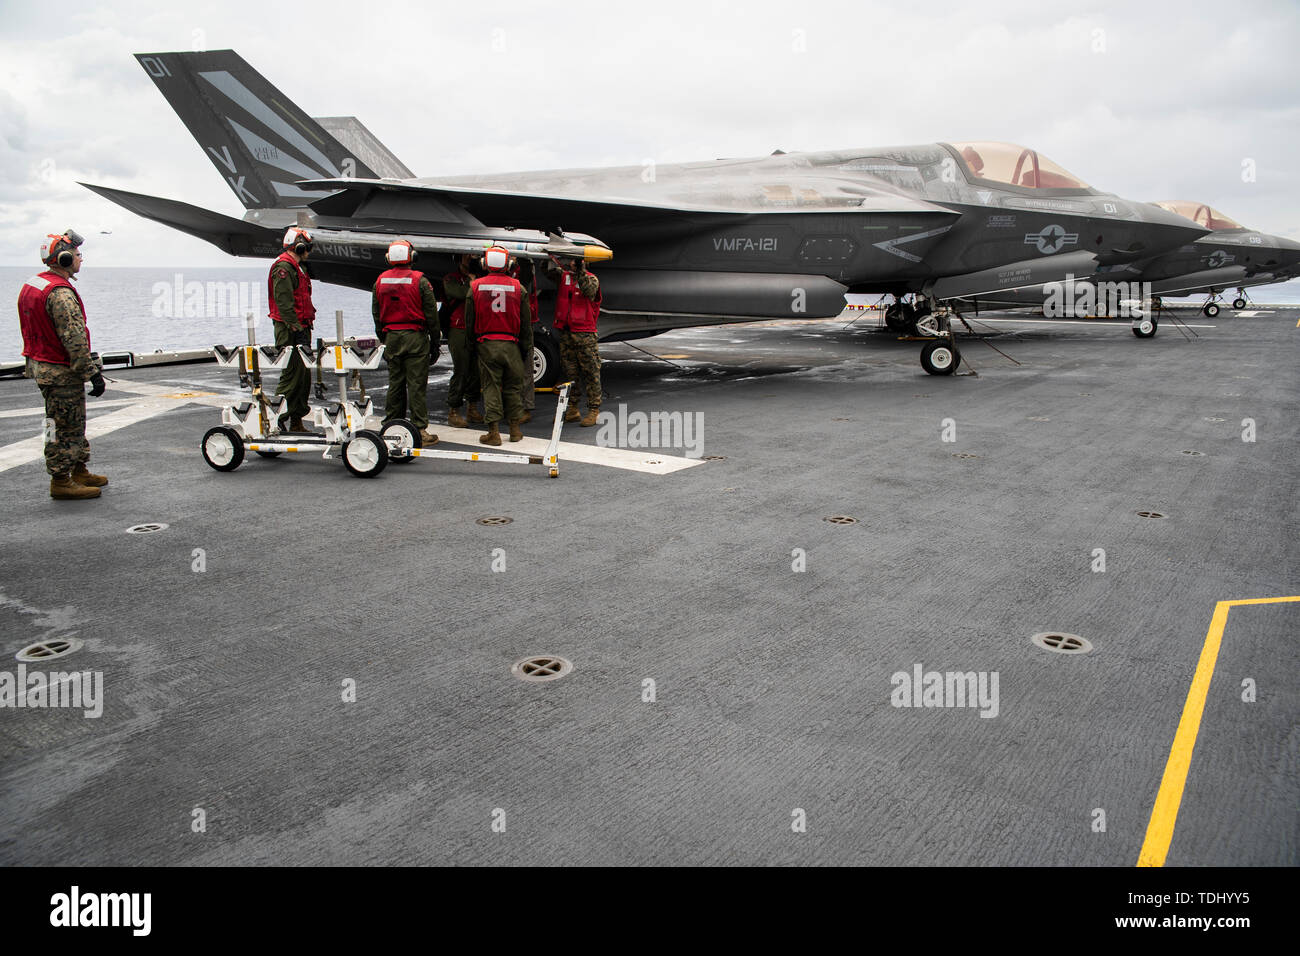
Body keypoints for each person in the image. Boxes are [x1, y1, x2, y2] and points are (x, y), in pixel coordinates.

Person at [17, 229, 107, 500]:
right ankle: (61, 480)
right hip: (60, 370)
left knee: (73, 421)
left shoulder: (36, 284)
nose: (81, 259)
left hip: (44, 365)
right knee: (64, 426)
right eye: (78, 255)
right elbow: (74, 338)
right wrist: (92, 373)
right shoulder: (61, 294)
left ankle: (79, 469)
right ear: (64, 259)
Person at [372, 239, 440, 445]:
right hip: (415, 337)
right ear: (412, 257)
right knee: (417, 384)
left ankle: (391, 425)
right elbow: (431, 315)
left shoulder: (380, 281)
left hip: (392, 337)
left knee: (396, 383)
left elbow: (376, 315)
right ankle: (420, 429)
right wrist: (435, 342)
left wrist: (384, 338)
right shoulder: (420, 281)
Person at [464, 246, 530, 446]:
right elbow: (526, 325)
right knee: (512, 388)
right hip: (511, 344)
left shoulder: (475, 287)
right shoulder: (519, 288)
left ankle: (493, 432)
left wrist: (471, 346)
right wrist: (525, 349)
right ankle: (515, 430)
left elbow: (469, 322)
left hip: (487, 344)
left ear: (485, 264)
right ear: (508, 264)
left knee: (491, 387)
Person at [267, 226, 316, 432]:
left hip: (301, 326)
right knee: (291, 375)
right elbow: (284, 302)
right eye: (308, 247)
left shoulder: (298, 268)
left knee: (303, 377)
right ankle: (274, 418)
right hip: (289, 329)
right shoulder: (284, 268)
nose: (310, 251)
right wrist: (295, 327)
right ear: (300, 246)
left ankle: (296, 420)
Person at [547, 255, 602, 426]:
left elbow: (589, 291)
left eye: (576, 261)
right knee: (570, 373)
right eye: (571, 260)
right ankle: (572, 408)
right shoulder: (564, 277)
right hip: (567, 333)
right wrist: (549, 255)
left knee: (591, 372)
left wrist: (581, 271)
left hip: (585, 334)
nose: (572, 263)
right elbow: (548, 271)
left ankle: (593, 409)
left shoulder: (591, 279)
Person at [441, 254, 484, 428]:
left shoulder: (478, 279)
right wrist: (471, 283)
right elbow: (459, 293)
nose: (469, 260)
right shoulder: (451, 279)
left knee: (476, 371)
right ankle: (454, 410)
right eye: (466, 257)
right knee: (461, 370)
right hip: (458, 330)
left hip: (475, 329)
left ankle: (472, 407)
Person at [511, 256, 540, 423]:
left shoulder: (524, 272)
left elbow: (527, 276)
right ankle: (515, 407)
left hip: (522, 325)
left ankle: (526, 407)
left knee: (526, 370)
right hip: (509, 326)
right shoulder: (509, 275)